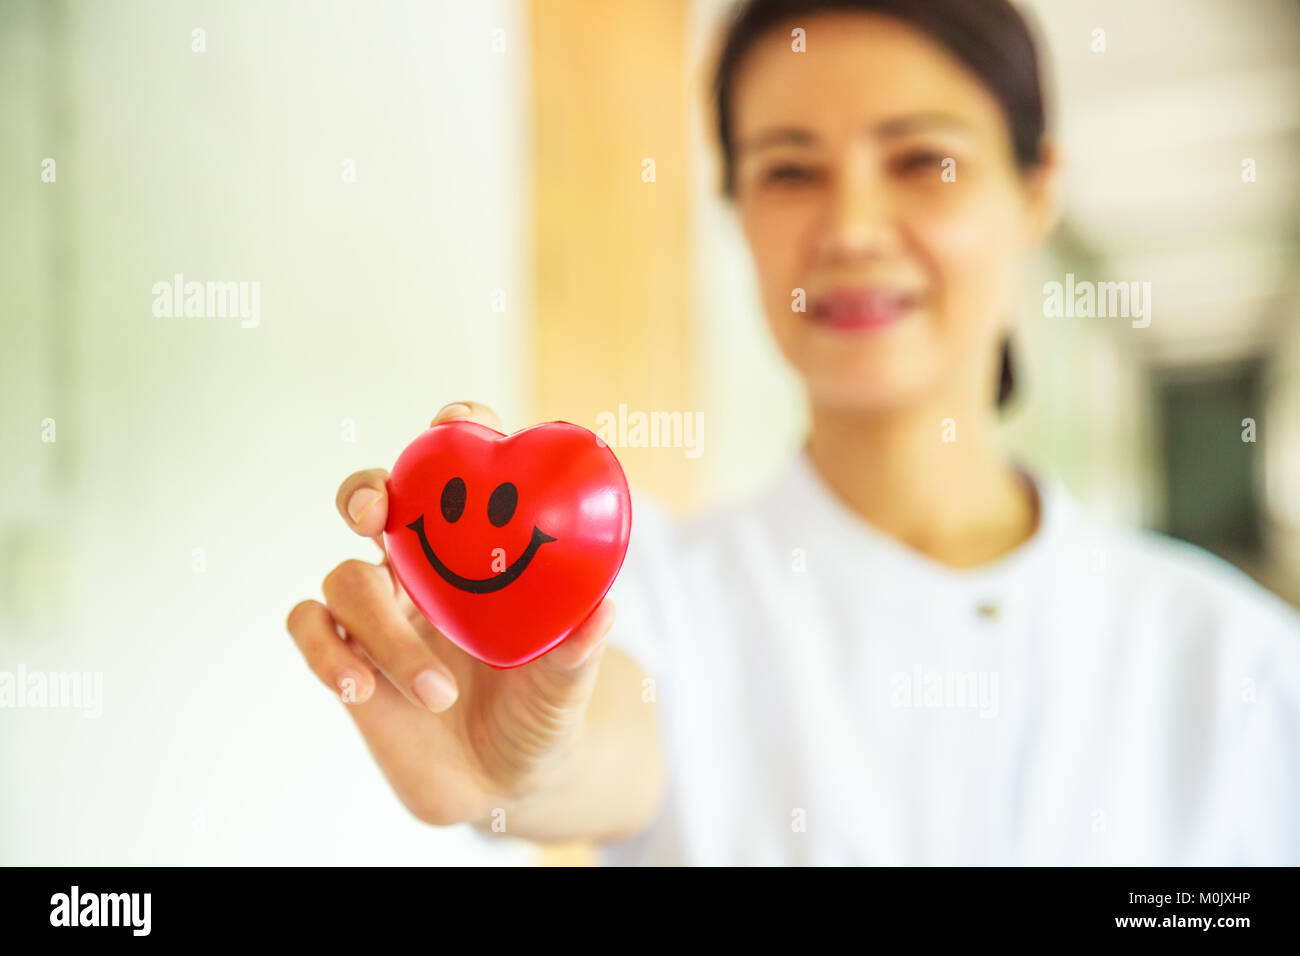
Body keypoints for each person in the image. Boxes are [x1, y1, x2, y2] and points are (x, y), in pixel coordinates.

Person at [285, 0, 1300, 864]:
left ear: (1034, 189)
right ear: (736, 209)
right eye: (788, 170)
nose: (851, 227)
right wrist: (525, 760)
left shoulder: (1240, 662)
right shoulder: (651, 599)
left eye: (922, 159)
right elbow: (595, 726)